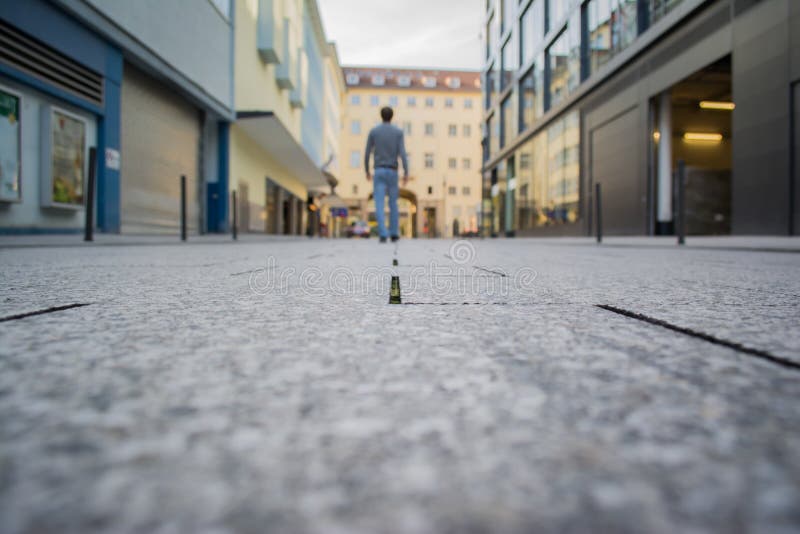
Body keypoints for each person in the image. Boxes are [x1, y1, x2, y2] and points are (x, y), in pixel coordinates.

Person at [364, 106, 408, 243]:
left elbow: (367, 153)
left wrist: (367, 170)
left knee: (379, 203)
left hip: (379, 171)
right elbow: (402, 153)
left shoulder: (374, 132)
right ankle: (394, 233)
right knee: (393, 203)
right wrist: (406, 172)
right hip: (393, 171)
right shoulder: (398, 132)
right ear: (392, 116)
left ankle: (383, 233)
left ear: (381, 116)